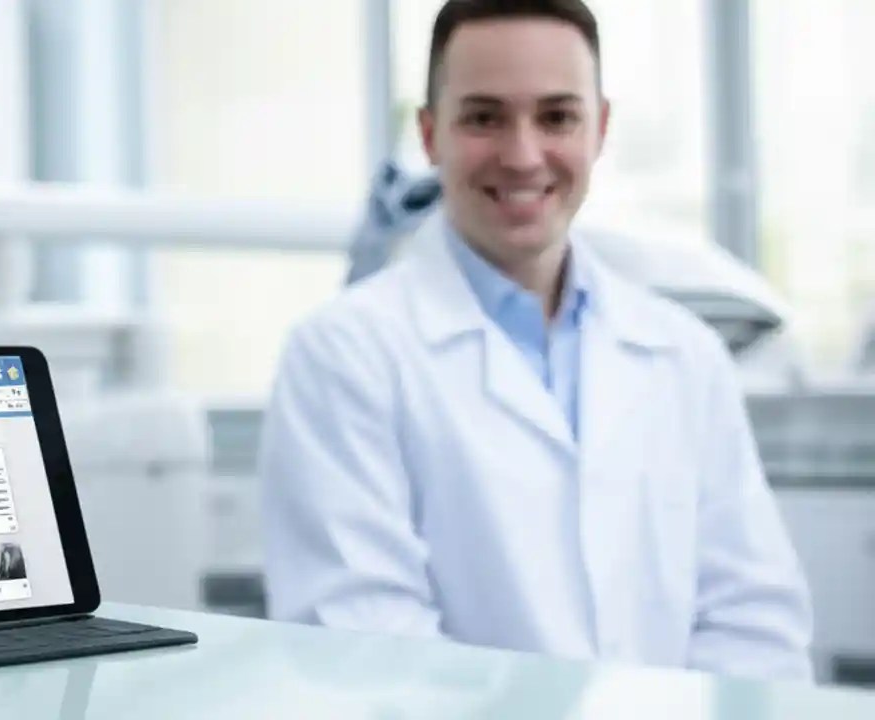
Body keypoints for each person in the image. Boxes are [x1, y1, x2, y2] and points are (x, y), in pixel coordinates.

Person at [259, 0, 813, 681]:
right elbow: (367, 652)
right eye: (485, 117)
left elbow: (756, 624)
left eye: (556, 117)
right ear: (430, 135)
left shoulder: (685, 354)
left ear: (600, 128)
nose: (522, 156)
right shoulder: (343, 355)